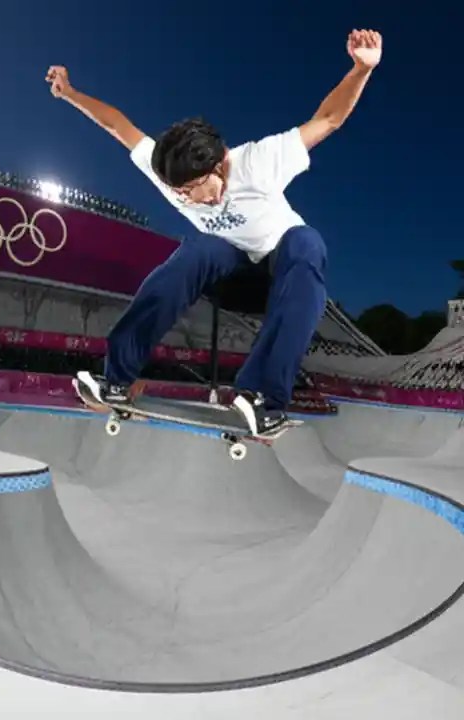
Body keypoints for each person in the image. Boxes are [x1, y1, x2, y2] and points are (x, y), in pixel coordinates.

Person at [47, 29, 382, 434]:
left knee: (305, 241)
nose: (187, 199)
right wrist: (70, 93)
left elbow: (327, 120)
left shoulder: (259, 161)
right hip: (232, 279)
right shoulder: (169, 170)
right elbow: (119, 125)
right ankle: (118, 378)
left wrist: (361, 70)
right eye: (178, 192)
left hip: (285, 280)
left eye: (193, 189)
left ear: (221, 164)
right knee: (201, 249)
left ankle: (263, 398)